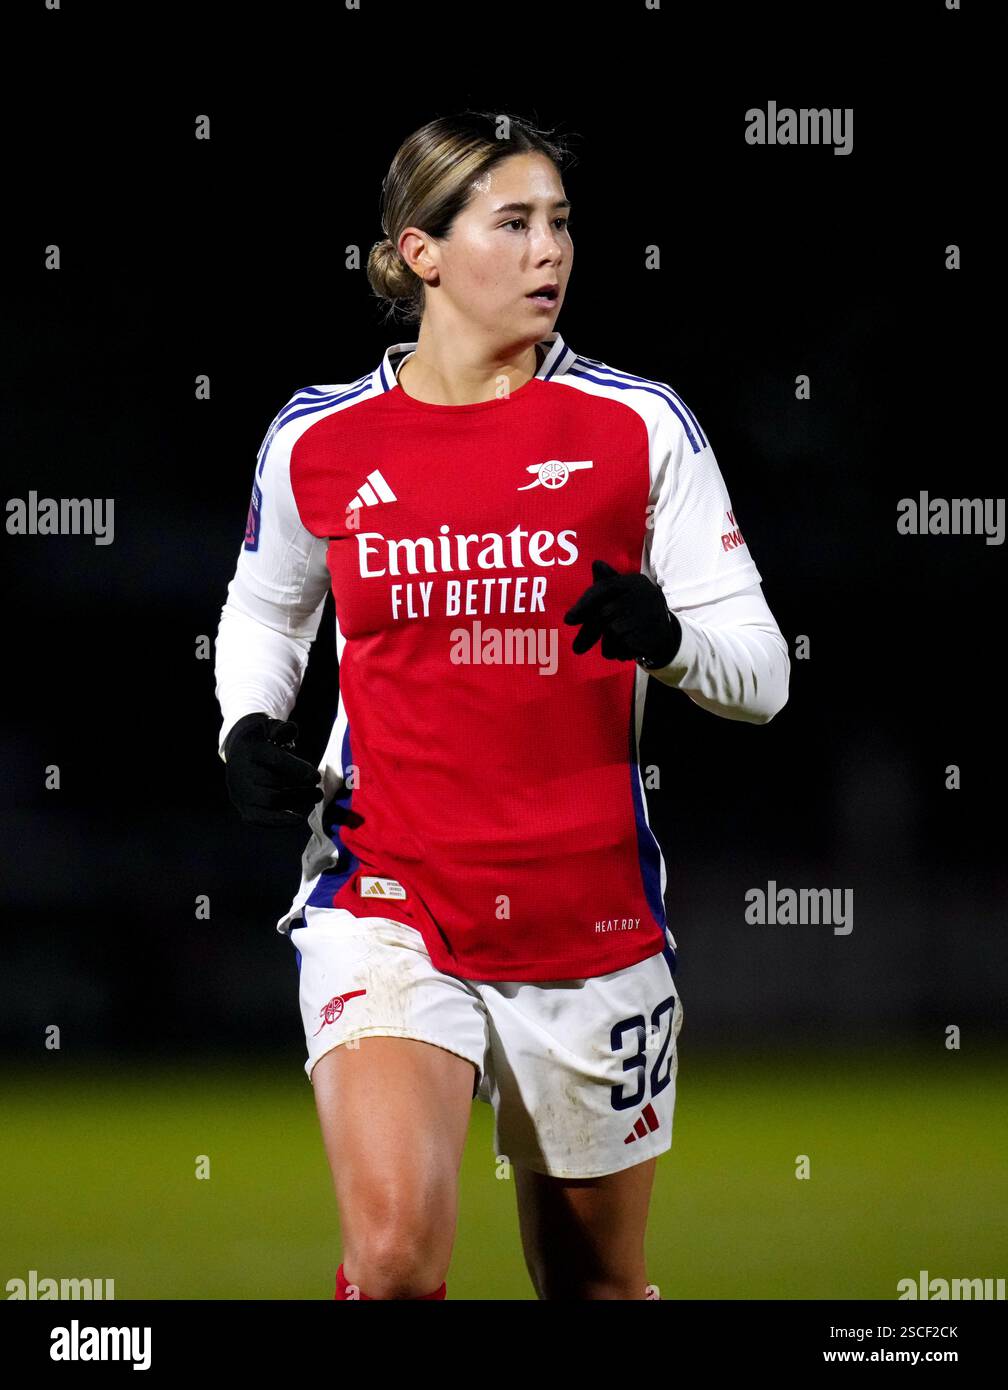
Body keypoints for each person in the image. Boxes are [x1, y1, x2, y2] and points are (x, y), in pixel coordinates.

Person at [213, 110, 789, 1301]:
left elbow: (764, 671)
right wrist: (246, 723)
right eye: (514, 223)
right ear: (421, 251)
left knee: (593, 1283)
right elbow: (268, 613)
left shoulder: (640, 427)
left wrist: (671, 641)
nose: (552, 253)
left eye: (562, 224)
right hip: (386, 887)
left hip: (588, 913)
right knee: (390, 1260)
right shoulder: (319, 437)